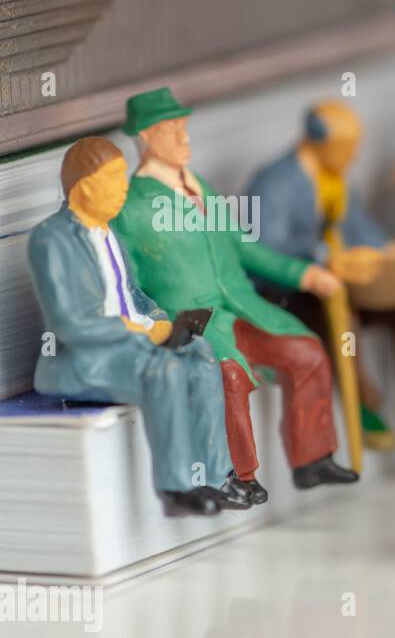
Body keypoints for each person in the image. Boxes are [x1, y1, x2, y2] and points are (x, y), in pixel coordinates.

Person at [111, 87, 359, 500]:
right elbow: (126, 282)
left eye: (183, 126)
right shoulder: (133, 207)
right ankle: (235, 475)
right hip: (195, 322)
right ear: (147, 137)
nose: (184, 137)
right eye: (172, 129)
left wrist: (302, 274)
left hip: (242, 306)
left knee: (307, 351)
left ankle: (311, 459)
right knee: (228, 375)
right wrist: (157, 322)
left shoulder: (200, 186)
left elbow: (242, 244)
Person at [27, 138, 249, 517]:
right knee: (165, 369)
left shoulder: (110, 232)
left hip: (135, 344)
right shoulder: (52, 239)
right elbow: (70, 325)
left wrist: (159, 319)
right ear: (83, 185)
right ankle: (176, 487)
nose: (123, 189)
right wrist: (140, 333)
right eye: (113, 180)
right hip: (89, 357)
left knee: (200, 354)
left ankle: (215, 473)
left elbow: (129, 293)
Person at [247, 100, 395, 451]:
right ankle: (361, 399)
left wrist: (382, 250)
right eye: (346, 148)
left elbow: (359, 225)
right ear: (318, 142)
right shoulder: (273, 184)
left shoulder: (335, 182)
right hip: (284, 287)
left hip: (334, 276)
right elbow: (263, 248)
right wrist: (321, 256)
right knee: (337, 310)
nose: (352, 156)